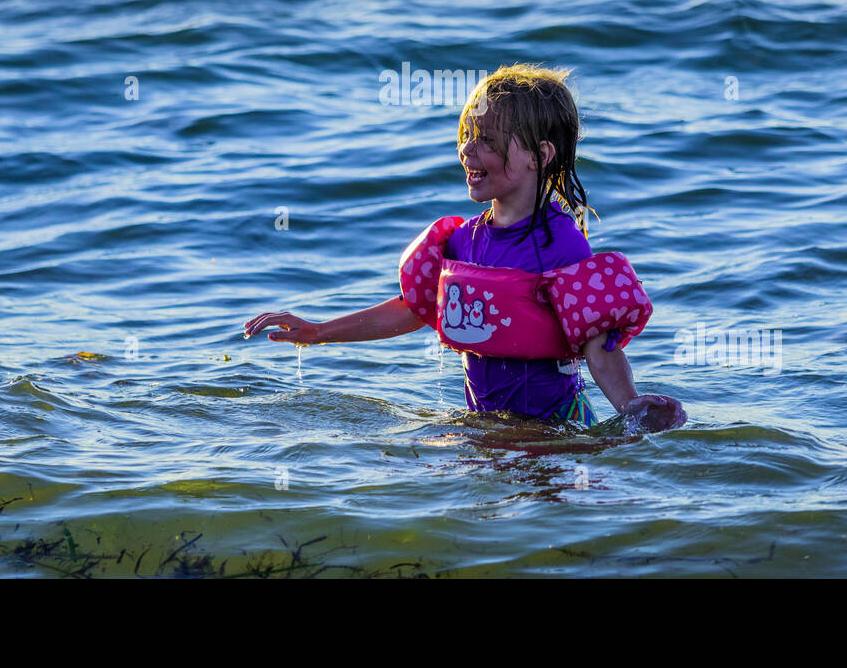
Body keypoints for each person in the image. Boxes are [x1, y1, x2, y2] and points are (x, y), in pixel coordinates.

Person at [244, 63, 686, 432]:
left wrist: (628, 403)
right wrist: (319, 331)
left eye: (487, 140)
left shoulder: (560, 242)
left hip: (557, 428)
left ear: (540, 155)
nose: (467, 151)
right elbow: (412, 310)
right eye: (467, 135)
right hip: (486, 426)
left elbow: (597, 341)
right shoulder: (462, 240)